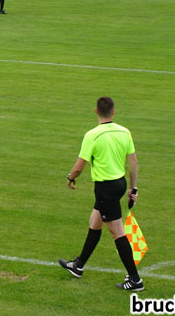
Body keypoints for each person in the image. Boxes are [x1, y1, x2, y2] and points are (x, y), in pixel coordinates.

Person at [58, 96, 142, 291]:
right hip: (119, 184)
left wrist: (71, 177)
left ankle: (135, 279)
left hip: (105, 189)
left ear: (96, 111)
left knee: (117, 233)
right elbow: (134, 162)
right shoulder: (124, 132)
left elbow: (79, 166)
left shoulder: (92, 135)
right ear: (113, 112)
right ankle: (78, 266)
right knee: (94, 223)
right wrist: (133, 188)